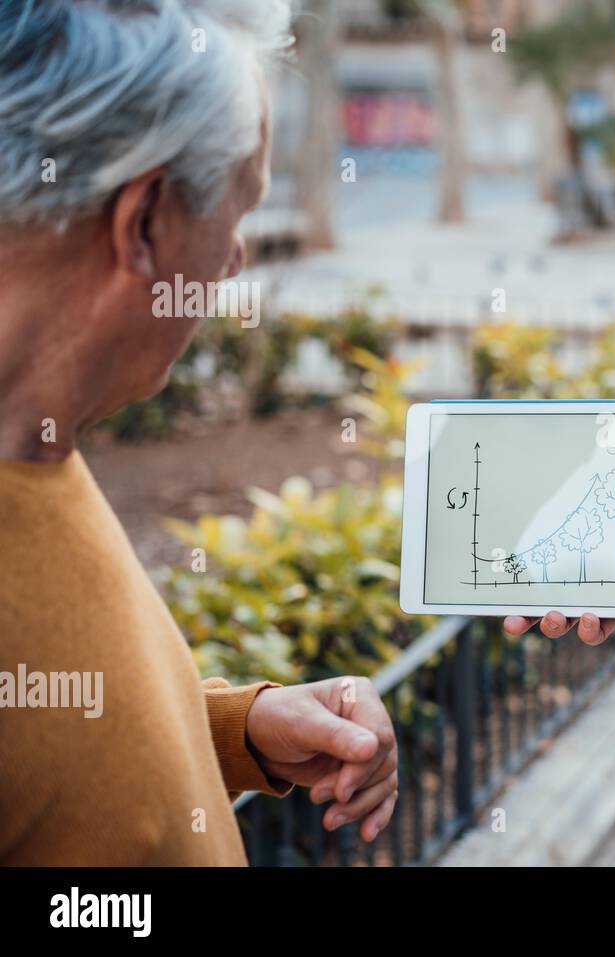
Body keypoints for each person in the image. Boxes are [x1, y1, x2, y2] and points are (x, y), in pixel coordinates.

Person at [0, 0, 397, 864]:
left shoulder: (42, 444)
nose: (235, 260)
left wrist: (232, 729)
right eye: (239, 210)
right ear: (143, 223)